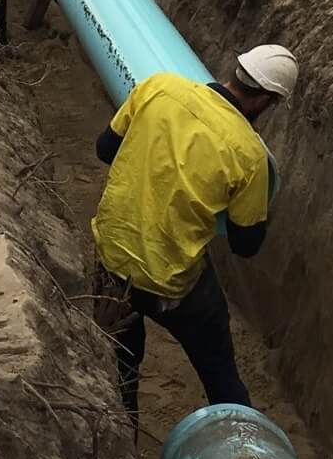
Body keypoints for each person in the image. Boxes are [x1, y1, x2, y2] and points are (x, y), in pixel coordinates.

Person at [90, 45, 298, 423]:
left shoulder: (158, 87)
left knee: (119, 361)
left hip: (112, 255)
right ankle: (242, 446)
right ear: (266, 101)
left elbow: (106, 149)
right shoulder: (249, 155)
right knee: (219, 369)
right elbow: (245, 245)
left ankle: (124, 437)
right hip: (171, 282)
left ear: (236, 71)